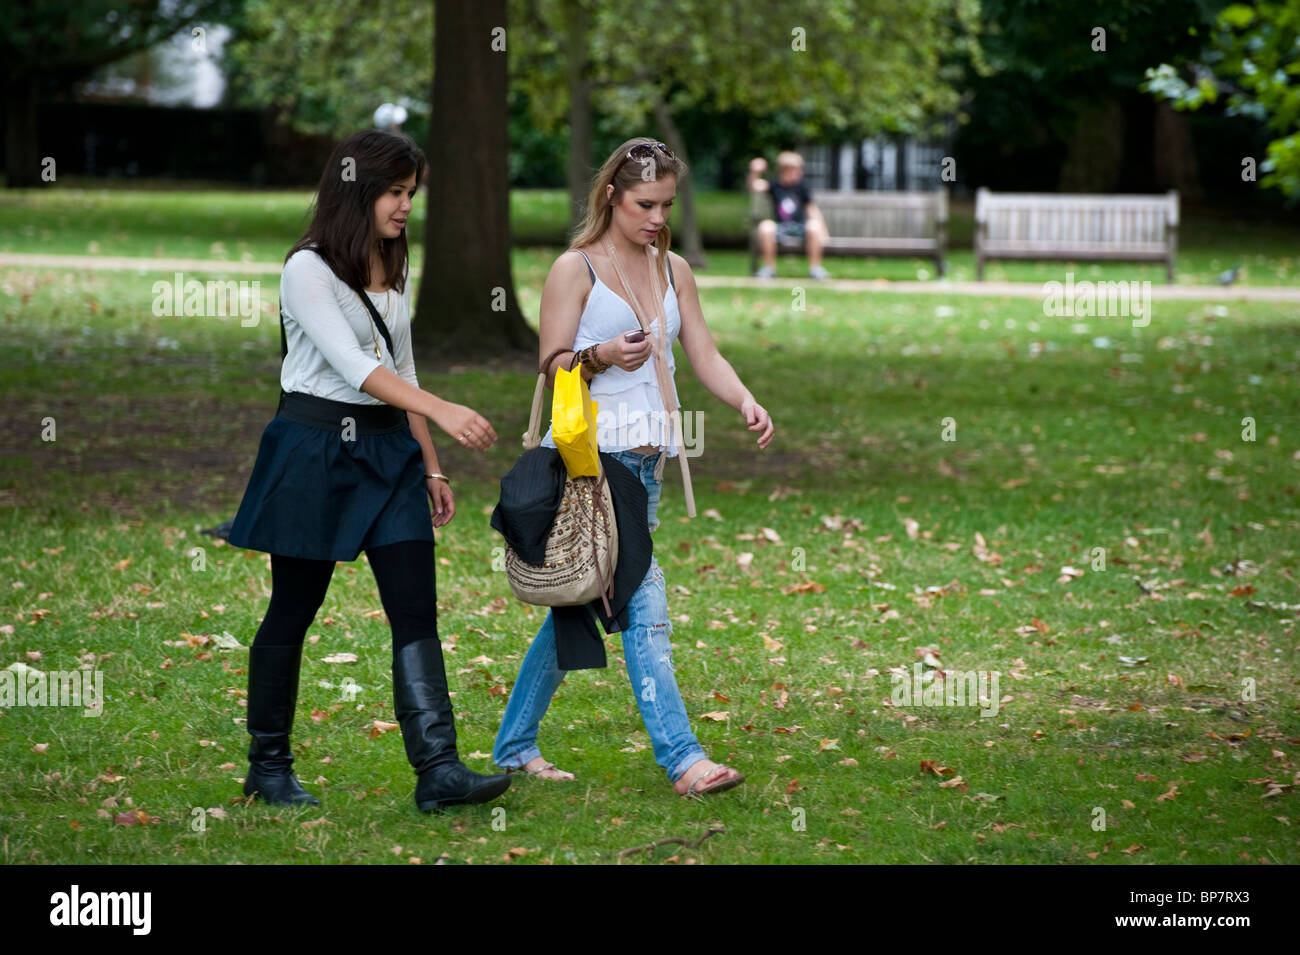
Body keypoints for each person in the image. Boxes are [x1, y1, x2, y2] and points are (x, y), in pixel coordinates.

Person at [226, 129, 510, 813]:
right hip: (314, 449)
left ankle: (438, 769)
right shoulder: (307, 270)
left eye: (411, 193)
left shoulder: (391, 265)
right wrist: (441, 409)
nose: (406, 205)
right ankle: (268, 766)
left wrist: (432, 467)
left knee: (415, 608)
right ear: (356, 189)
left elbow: (400, 370)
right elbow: (357, 369)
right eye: (394, 192)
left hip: (389, 453)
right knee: (294, 609)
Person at [492, 137, 775, 797]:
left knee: (581, 603)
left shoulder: (672, 268)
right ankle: (683, 758)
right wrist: (600, 356)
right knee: (644, 606)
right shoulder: (576, 268)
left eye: (666, 204)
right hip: (593, 459)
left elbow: (702, 351)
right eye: (645, 202)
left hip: (647, 463)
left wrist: (744, 399)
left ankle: (512, 744)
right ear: (612, 196)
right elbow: (552, 362)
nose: (656, 215)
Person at [747, 151, 831, 280]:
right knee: (766, 226)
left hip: (800, 228)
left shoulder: (802, 187)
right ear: (783, 171)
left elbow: (812, 209)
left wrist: (823, 230)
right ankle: (769, 269)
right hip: (782, 228)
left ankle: (815, 269)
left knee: (814, 226)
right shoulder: (774, 186)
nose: (799, 174)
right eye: (795, 170)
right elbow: (754, 186)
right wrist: (755, 172)